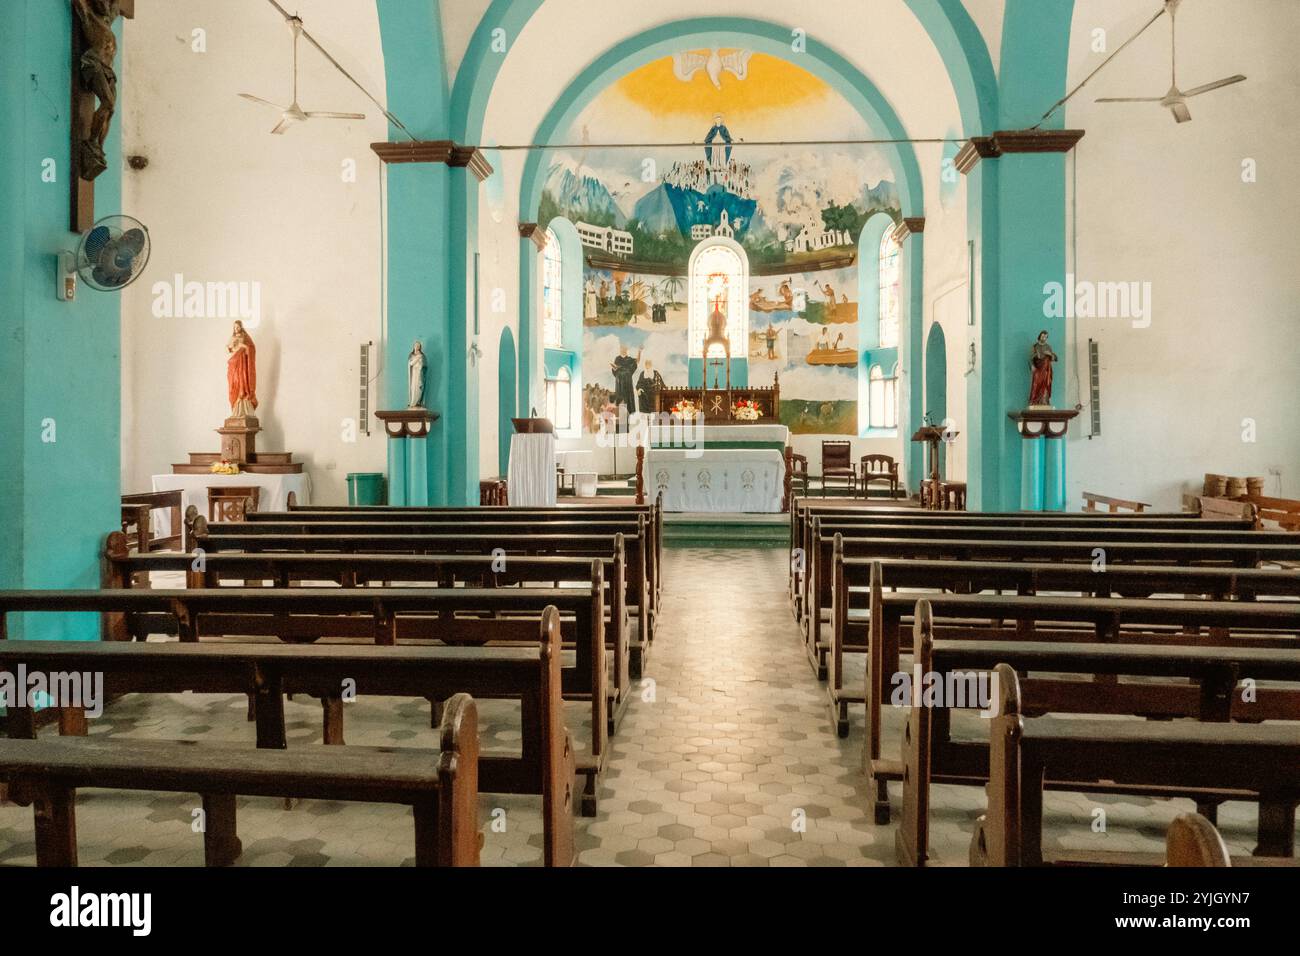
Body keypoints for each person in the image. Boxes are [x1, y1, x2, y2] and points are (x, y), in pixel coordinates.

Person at [226, 320, 257, 417]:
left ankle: (244, 410)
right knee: (234, 383)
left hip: (242, 364)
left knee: (242, 382)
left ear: (241, 327)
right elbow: (228, 350)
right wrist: (231, 347)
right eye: (235, 327)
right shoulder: (232, 338)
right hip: (234, 363)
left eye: (238, 327)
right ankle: (236, 410)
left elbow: (251, 348)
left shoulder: (245, 337)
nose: (236, 329)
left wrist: (242, 346)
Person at [1028, 329, 1058, 407]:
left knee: (1045, 385)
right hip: (1038, 368)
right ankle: (1034, 401)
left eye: (1045, 337)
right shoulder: (1035, 346)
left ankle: (1044, 401)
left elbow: (1054, 358)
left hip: (1046, 370)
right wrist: (1032, 366)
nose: (1044, 338)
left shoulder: (1048, 347)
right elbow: (1031, 358)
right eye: (1042, 336)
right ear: (1040, 336)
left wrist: (1050, 354)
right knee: (1036, 385)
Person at [611, 343, 641, 413]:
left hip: (627, 381)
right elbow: (614, 370)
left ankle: (629, 415)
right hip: (620, 382)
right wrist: (614, 368)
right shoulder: (617, 358)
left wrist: (639, 351)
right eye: (621, 348)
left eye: (624, 348)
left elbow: (637, 361)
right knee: (620, 398)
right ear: (620, 349)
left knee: (628, 397)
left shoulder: (629, 359)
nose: (623, 350)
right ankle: (621, 416)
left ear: (626, 350)